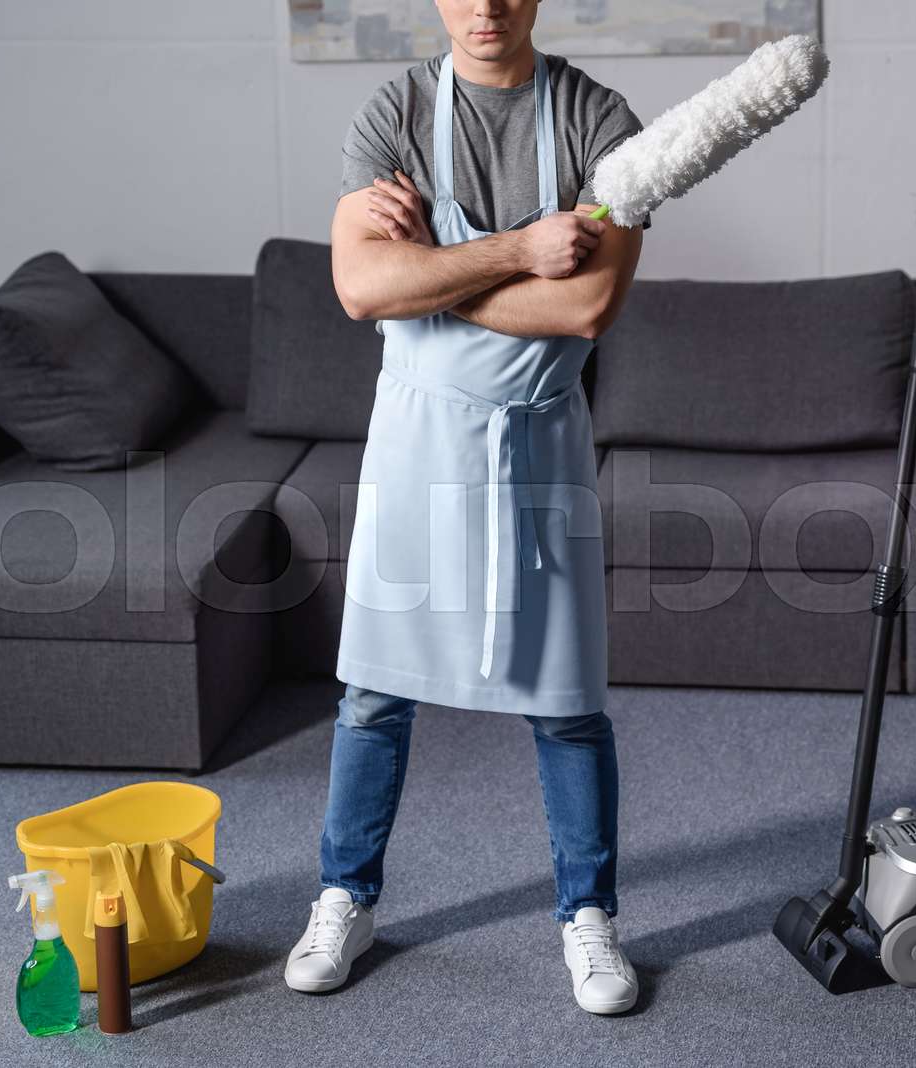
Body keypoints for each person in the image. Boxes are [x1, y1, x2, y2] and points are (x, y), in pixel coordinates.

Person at [286, 0, 650, 1015]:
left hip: (537, 439)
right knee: (371, 694)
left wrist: (433, 271)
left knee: (567, 705)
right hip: (416, 437)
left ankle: (590, 915)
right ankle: (344, 896)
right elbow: (361, 288)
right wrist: (518, 250)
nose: (484, 5)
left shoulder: (600, 123)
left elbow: (585, 305)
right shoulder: (392, 112)